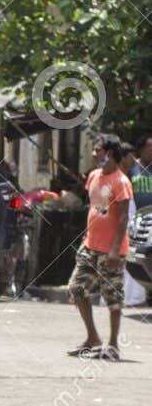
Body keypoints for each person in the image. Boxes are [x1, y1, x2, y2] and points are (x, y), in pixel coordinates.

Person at [65, 136, 133, 360]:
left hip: (111, 250)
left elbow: (122, 218)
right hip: (90, 245)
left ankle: (113, 345)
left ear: (110, 154)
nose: (94, 154)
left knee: (113, 296)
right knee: (76, 288)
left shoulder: (121, 181)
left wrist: (115, 250)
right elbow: (95, 207)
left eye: (98, 150)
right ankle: (92, 337)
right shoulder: (94, 176)